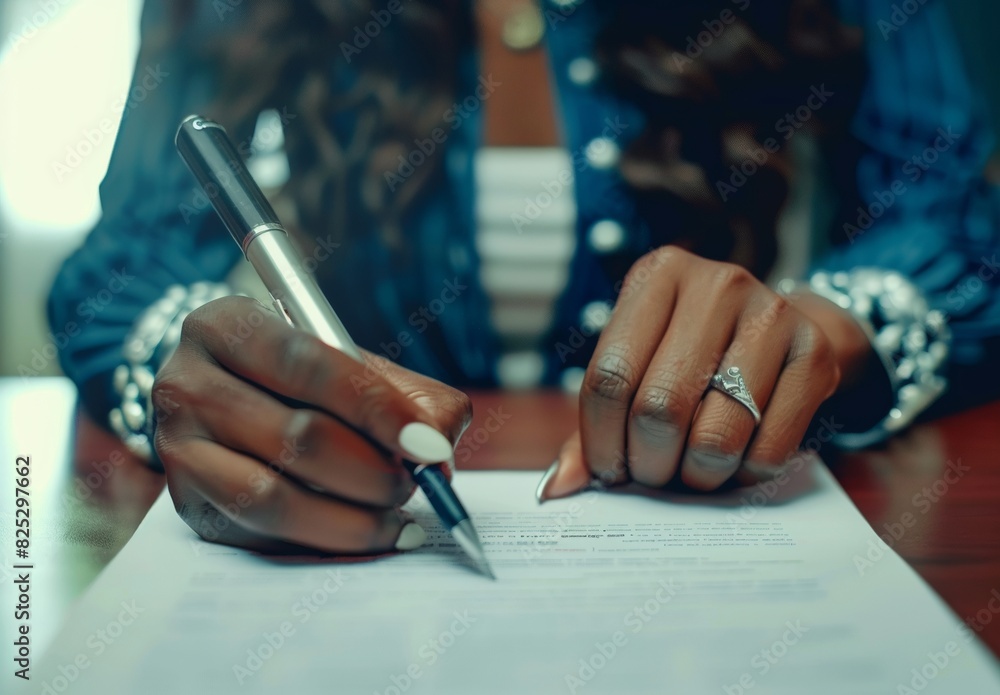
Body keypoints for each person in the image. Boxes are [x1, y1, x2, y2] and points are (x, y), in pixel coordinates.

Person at [48, 0, 1000, 555]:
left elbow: (956, 219)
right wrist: (191, 365)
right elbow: (121, 266)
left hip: (726, 502)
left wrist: (826, 328)